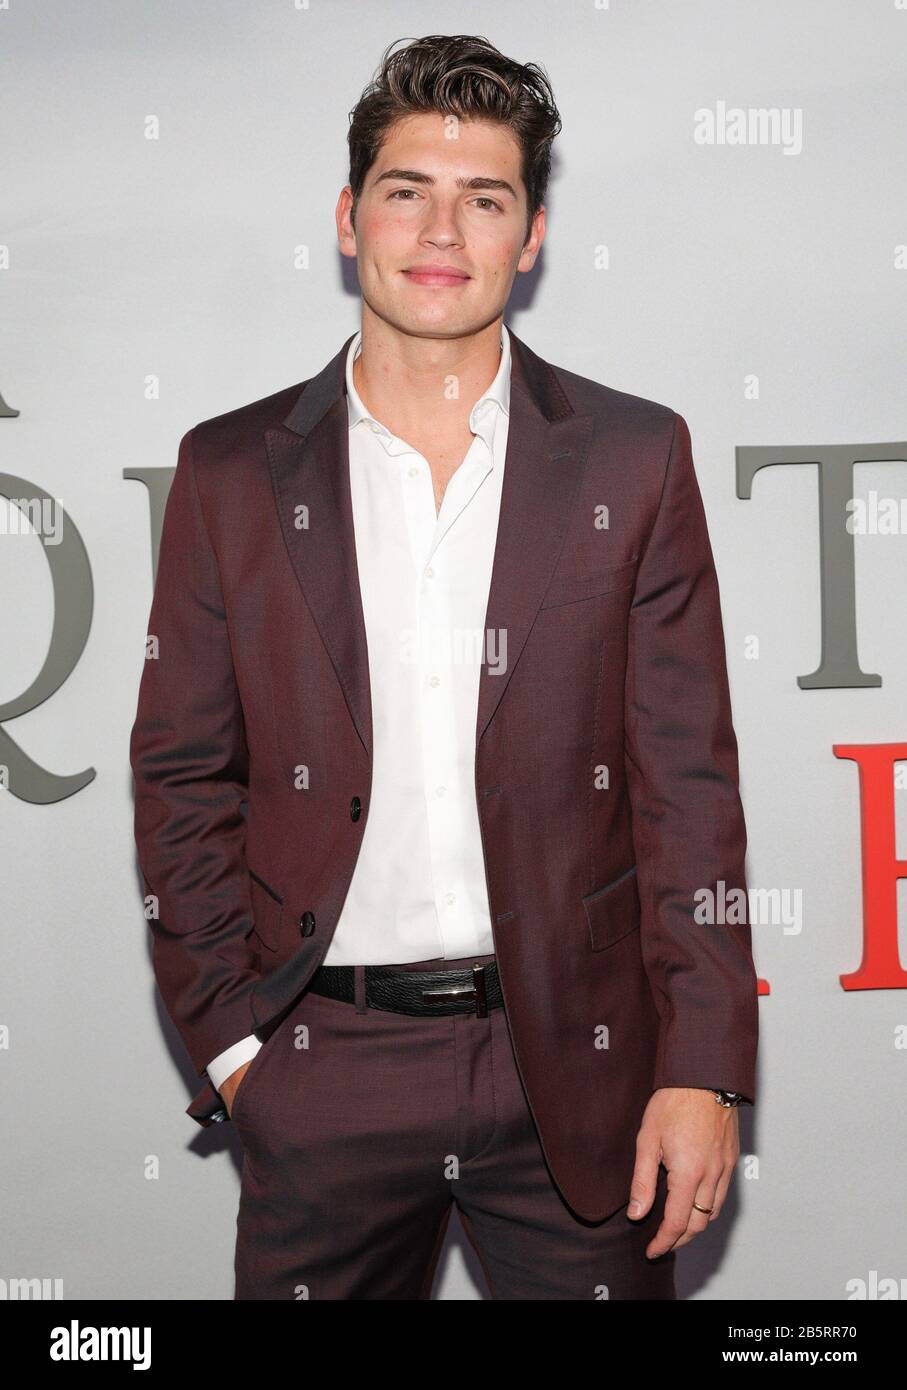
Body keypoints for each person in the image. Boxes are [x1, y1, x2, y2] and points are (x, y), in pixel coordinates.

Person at [129, 33, 758, 1301]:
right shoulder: (232, 471)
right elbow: (183, 775)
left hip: (577, 1069)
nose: (442, 230)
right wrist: (240, 1047)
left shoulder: (633, 459)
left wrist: (704, 1066)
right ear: (349, 216)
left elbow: (685, 788)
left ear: (530, 237)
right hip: (323, 1065)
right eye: (408, 190)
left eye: (486, 198)